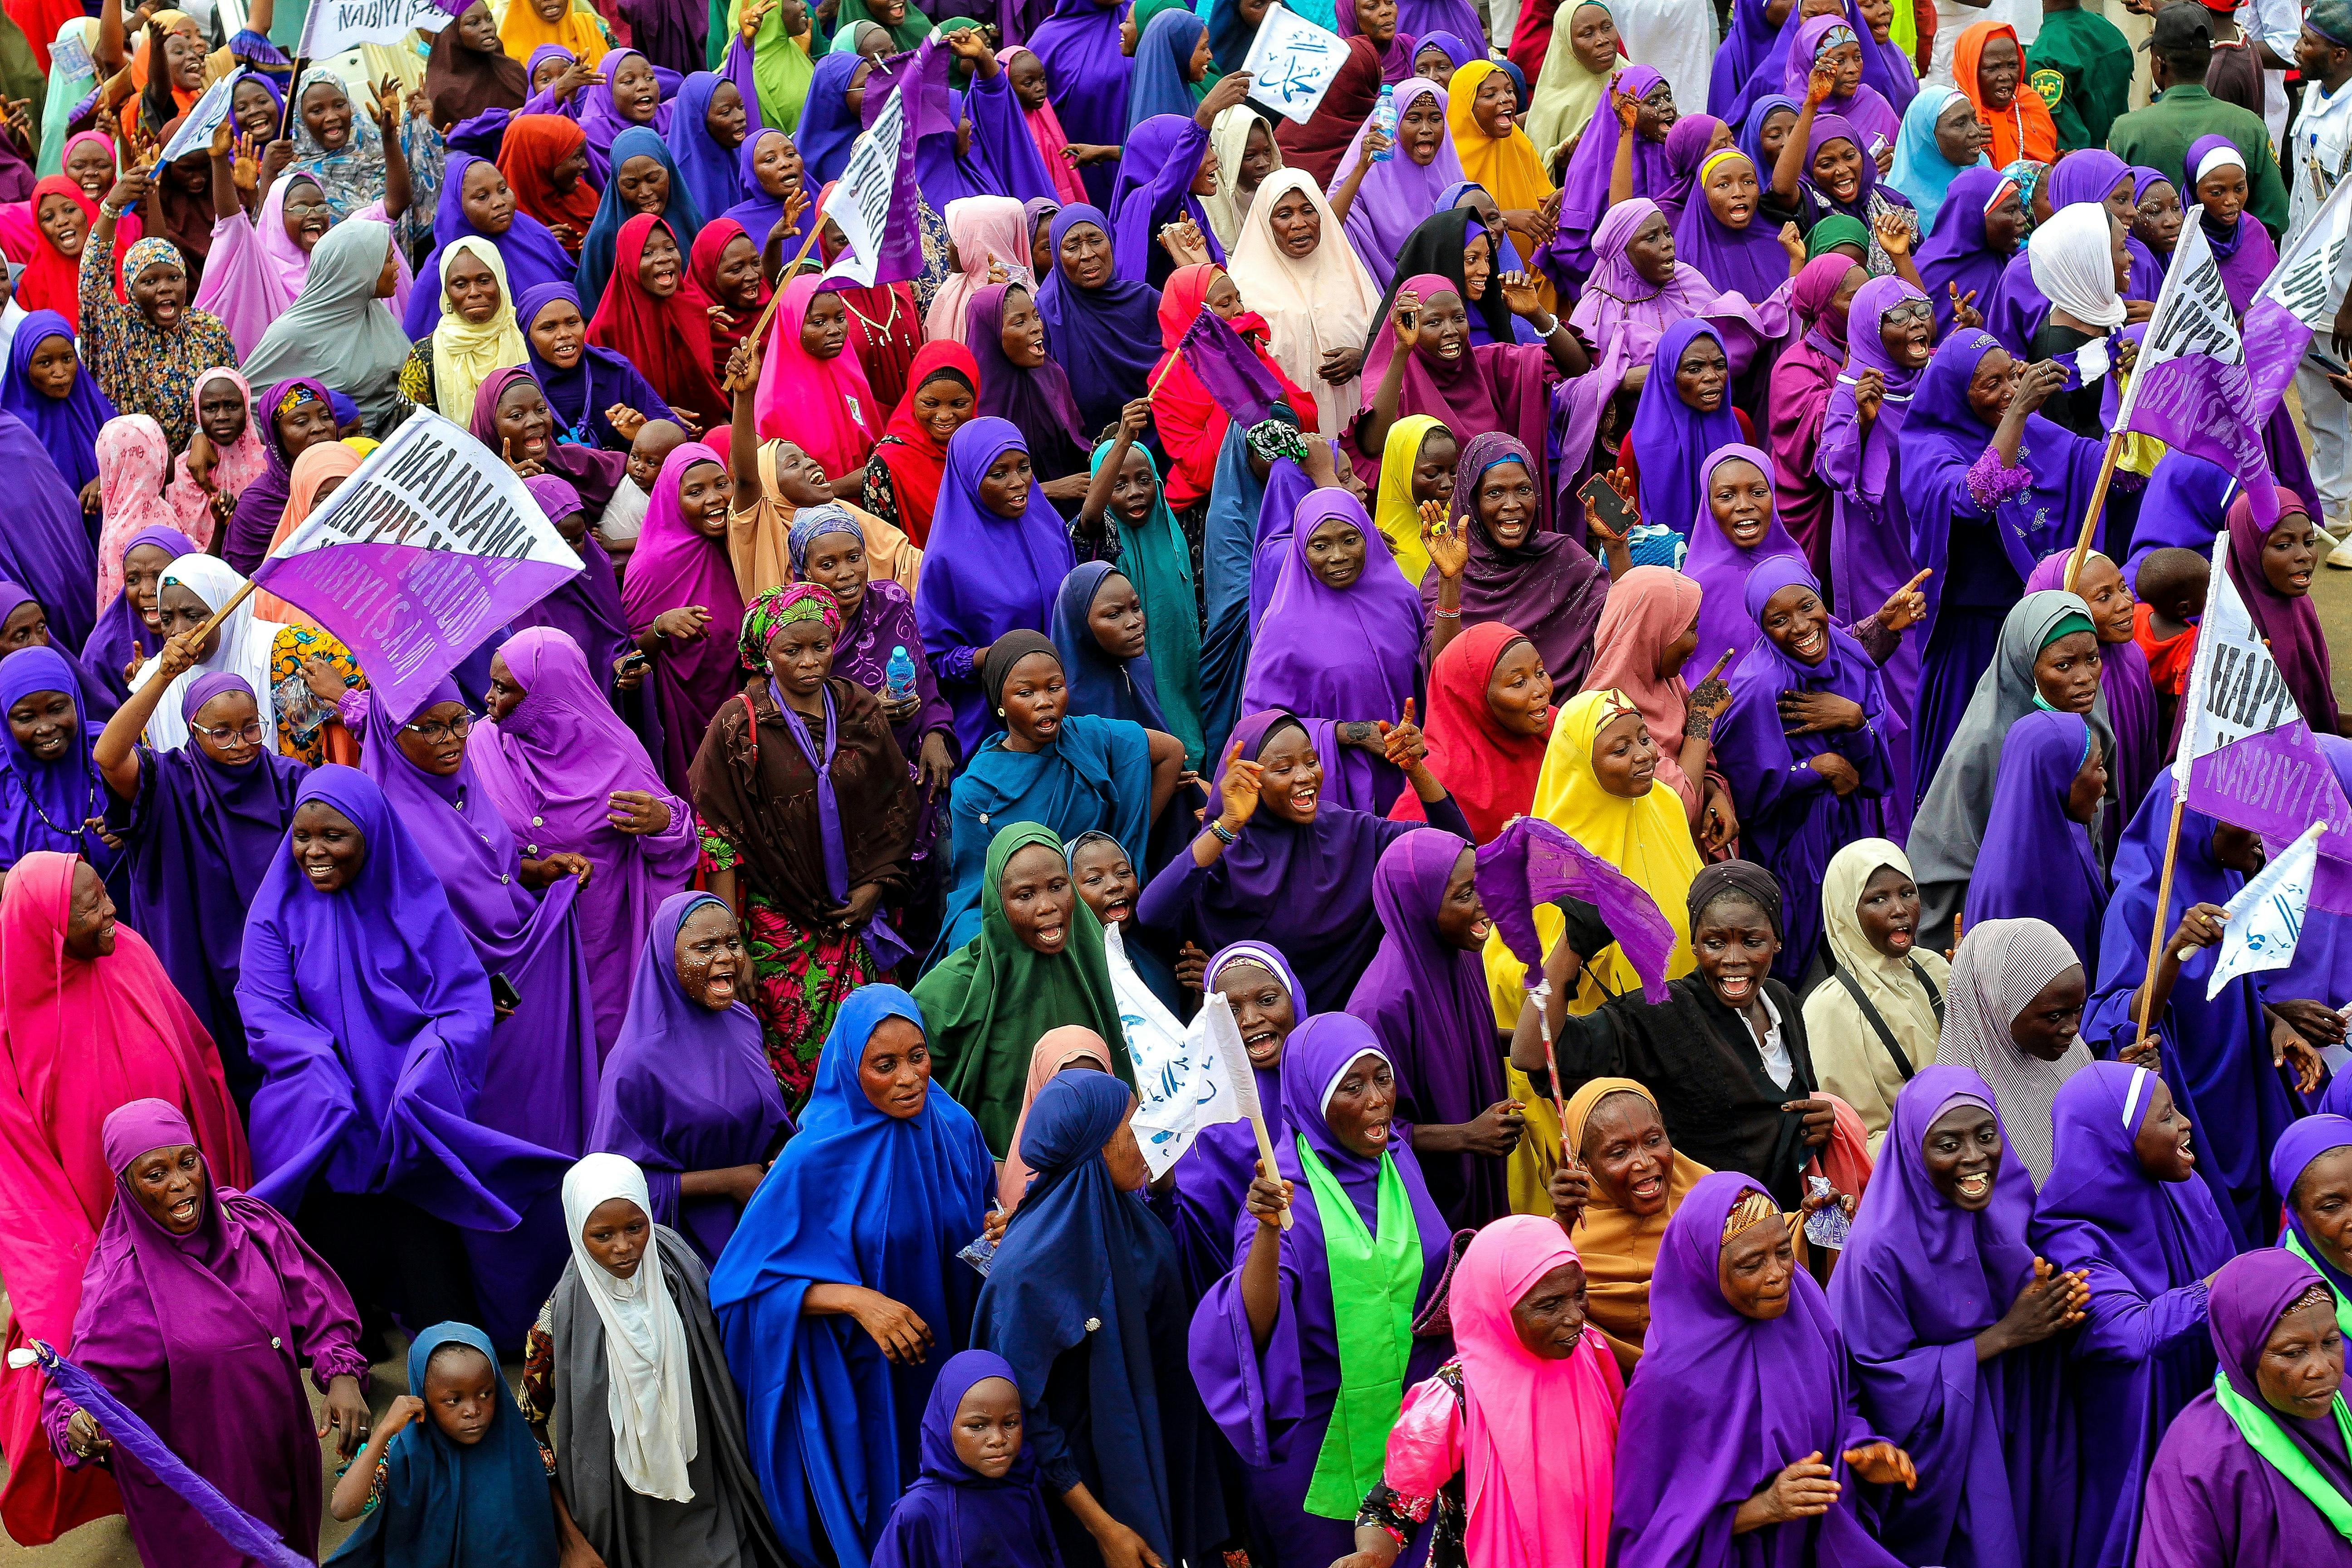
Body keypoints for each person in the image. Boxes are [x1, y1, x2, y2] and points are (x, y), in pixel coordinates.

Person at [238, 767, 571, 1343]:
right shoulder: (275, 912)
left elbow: (461, 1004)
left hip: (406, 1124)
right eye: (302, 836)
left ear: (373, 835)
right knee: (345, 1311)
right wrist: (320, 1068)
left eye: (334, 837)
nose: (314, 852)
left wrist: (426, 1068)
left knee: (441, 1308)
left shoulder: (417, 903)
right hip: (328, 1126)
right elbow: (265, 1008)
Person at [0, 852, 248, 1547]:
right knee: (131, 1353)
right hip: (92, 1233)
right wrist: (79, 1261)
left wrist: (220, 1173)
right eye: (88, 907)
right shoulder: (10, 1019)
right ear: (46, 927)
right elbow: (19, 1173)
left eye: (105, 894)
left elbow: (198, 1054)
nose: (111, 911)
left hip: (182, 1197)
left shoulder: (131, 951)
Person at [709, 985, 995, 1568]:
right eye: (883, 1066)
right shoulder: (814, 1158)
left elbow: (976, 1231)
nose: (909, 1078)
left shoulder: (954, 1128)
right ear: (850, 1066)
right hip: (866, 1376)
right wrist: (859, 1302)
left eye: (917, 1056)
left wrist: (998, 1236)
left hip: (951, 1352)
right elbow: (741, 1286)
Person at [42, 1098, 372, 1568]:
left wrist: (340, 1373)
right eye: (155, 1175)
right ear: (128, 1189)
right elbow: (77, 1385)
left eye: (188, 1162)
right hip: (199, 1491)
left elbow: (314, 1303)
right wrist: (76, 1421)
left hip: (280, 1454)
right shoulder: (124, 1286)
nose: (180, 1183)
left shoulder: (250, 1224)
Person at [1189, 1014, 1456, 1566]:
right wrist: (1266, 1230)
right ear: (1313, 1098)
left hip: (1410, 1435)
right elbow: (1253, 1322)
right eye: (1351, 1088)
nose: (1378, 1101)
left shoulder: (1397, 1160)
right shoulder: (1286, 1192)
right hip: (1317, 1451)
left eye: (1381, 1078)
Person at [1828, 1068, 2089, 1568]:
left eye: (1987, 1136)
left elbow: (2036, 1285)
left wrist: (2060, 1301)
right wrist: (2004, 1336)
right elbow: (1877, 1378)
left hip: (2024, 1420)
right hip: (1951, 1452)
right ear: (1911, 1152)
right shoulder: (1878, 1250)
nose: (1974, 1158)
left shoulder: (2009, 1198)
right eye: (1948, 1144)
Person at [972, 1069, 1228, 1568]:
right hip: (1092, 1500)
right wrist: (1104, 1527)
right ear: (1092, 1146)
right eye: (1133, 1129)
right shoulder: (1028, 1269)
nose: (1147, 1138)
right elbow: (1025, 1411)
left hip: (1160, 1456)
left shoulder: (1129, 1220)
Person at [1609, 1171, 1917, 1567]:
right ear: (1704, 1268)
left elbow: (1840, 1408)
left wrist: (1861, 1451)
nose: (1777, 1275)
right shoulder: (1666, 1381)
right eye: (1750, 1264)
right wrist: (1765, 1507)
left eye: (1783, 1251)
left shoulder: (1805, 1314)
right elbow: (1650, 1537)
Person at [692, 583, 919, 1099]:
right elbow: (719, 839)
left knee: (867, 1051)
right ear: (765, 652)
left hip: (853, 919)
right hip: (779, 925)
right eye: (792, 650)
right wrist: (734, 945)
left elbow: (894, 804)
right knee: (793, 1064)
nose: (810, 661)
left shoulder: (857, 708)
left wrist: (876, 887)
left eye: (821, 646)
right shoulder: (738, 725)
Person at [1510, 861, 1838, 1211]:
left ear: (1777, 942)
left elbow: (1783, 1109)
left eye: (1752, 942)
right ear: (1694, 945)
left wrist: (1817, 1126)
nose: (1733, 959)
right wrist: (1573, 943)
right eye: (1714, 943)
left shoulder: (1782, 1002)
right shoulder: (1661, 1012)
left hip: (1788, 1224)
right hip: (1709, 1230)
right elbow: (1531, 1054)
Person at [516, 1153, 786, 1568]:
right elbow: (527, 1424)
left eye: (635, 1228)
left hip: (710, 1502)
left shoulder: (683, 1278)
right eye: (602, 1236)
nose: (623, 1248)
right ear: (576, 1232)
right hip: (624, 1522)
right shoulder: (558, 1324)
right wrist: (570, 1540)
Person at [2091, 769, 2324, 1247]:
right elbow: (2124, 1020)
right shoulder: (2139, 904)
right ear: (2195, 824)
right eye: (2243, 822)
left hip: (2240, 1088)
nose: (2260, 836)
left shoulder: (2229, 878)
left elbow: (2235, 985)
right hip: (2185, 1097)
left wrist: (2273, 1021)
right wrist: (2175, 950)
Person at [2033, 1060, 2239, 1567]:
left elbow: (2228, 1260)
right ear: (2116, 1139)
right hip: (2134, 1436)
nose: (2186, 1123)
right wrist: (2228, 1285)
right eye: (2166, 1117)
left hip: (2209, 1397)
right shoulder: (2068, 1236)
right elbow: (2131, 1332)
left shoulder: (2181, 1184)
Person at [1138, 705, 1473, 1005]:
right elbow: (1151, 913)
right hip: (1258, 1037)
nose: (1305, 776)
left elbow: (1455, 848)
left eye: (1312, 761)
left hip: (1350, 1031)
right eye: (1283, 769)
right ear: (1251, 780)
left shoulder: (1347, 830)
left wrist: (1414, 769)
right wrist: (1227, 823)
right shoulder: (1223, 848)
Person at [1348, 1212, 1625, 1568]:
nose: (1575, 1316)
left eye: (1579, 1295)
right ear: (1497, 1306)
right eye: (1550, 1304)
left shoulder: (1590, 1352)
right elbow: (1391, 1506)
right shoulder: (1453, 1396)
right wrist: (1371, 1554)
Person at [473, 626, 700, 1056]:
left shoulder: (617, 753)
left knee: (602, 1045)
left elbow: (680, 843)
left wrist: (661, 820)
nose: (488, 699)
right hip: (518, 936)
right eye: (491, 684)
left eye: (504, 689)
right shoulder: (482, 743)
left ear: (546, 696)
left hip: (600, 941)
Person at [94, 656, 306, 1103]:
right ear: (194, 731)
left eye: (252, 727)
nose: (242, 744)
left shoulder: (288, 781)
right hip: (198, 972)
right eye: (222, 732)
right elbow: (108, 755)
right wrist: (163, 677)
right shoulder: (167, 782)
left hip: (280, 970)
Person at [1712, 557, 1903, 981]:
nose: (1800, 626)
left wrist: (1853, 721)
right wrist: (1814, 768)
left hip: (1852, 828)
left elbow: (1873, 777)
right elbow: (1745, 793)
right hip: (1793, 850)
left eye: (1807, 606)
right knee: (1807, 971)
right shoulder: (1759, 685)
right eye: (1779, 619)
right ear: (1762, 627)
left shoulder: (1848, 656)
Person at [591, 892, 792, 1269]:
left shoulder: (742, 1022)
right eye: (705, 947)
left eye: (733, 943)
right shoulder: (635, 1062)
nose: (726, 957)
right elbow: (613, 1189)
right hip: (693, 1254)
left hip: (765, 1229)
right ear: (668, 957)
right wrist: (729, 1182)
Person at [940, 627, 1167, 950]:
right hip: (1028, 919)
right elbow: (977, 890)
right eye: (1026, 693)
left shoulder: (1089, 737)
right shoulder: (975, 791)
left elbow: (1170, 752)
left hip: (1097, 910)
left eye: (1055, 687)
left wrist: (1124, 843)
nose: (1045, 702)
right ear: (999, 702)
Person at [913, 823, 1131, 1155]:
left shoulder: (1105, 967)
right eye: (1025, 895)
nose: (1047, 906)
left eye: (1058, 887)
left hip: (1098, 1166)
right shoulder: (955, 987)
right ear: (998, 902)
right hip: (996, 1179)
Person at [1346, 829, 1522, 1229]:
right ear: (1418, 905)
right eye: (1465, 895)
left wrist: (1525, 1043)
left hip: (1479, 1171)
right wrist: (1466, 1137)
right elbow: (1370, 1129)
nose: (1486, 902)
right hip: (1429, 1197)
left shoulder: (1461, 953)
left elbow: (1457, 1036)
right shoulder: (1380, 1006)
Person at [1909, 590, 2111, 936]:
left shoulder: (2089, 716)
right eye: (2063, 665)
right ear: (2024, 664)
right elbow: (1944, 862)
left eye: (2092, 659)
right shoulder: (1984, 745)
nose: (2084, 678)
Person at [2137, 1249, 2352, 1566]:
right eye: (2293, 1353)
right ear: (2242, 1353)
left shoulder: (2345, 1396)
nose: (2322, 1368)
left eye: (2331, 1343)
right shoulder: (2200, 1456)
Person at [324, 1322, 561, 1567]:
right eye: (453, 1400)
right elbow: (342, 1509)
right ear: (423, 1396)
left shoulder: (523, 1449)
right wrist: (384, 1431)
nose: (472, 1411)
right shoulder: (401, 1454)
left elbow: (553, 1499)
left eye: (485, 1394)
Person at [914, 416, 1081, 756]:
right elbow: (934, 658)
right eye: (999, 474)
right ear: (970, 480)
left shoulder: (1051, 526)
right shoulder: (948, 559)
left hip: (1067, 707)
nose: (1018, 483)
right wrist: (996, 657)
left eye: (1024, 467)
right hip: (996, 728)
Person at [624, 441, 748, 789]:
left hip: (742, 698)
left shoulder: (738, 543)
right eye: (696, 492)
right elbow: (629, 657)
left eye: (721, 484)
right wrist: (661, 626)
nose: (714, 499)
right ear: (671, 500)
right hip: (683, 713)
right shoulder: (652, 564)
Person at [868, 1347, 1062, 1568]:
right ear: (944, 1426)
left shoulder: (1024, 1486)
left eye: (1010, 1423)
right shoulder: (920, 1511)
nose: (998, 1439)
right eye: (977, 1426)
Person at [2107, 4, 2288, 235]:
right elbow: (2276, 217)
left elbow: (2116, 213)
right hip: (2230, 267)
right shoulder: (2251, 126)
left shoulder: (2126, 130)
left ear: (2160, 64)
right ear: (2209, 59)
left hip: (2156, 268)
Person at [1963, 708, 2108, 968]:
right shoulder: (2008, 886)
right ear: (2059, 777)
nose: (2105, 777)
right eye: (2098, 767)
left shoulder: (2073, 837)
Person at [240, 218, 413, 437]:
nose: (397, 266)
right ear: (359, 270)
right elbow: (243, 400)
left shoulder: (373, 314)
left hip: (398, 444)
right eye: (388, 260)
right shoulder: (293, 333)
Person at [2226, 485, 2341, 736]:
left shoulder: (2301, 606)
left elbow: (2317, 708)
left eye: (2310, 542)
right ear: (2248, 549)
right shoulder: (2231, 624)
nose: (2305, 556)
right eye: (2283, 546)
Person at [0, 644, 121, 883]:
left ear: (76, 700)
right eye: (26, 718)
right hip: (37, 919)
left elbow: (167, 815)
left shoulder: (111, 752)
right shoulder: (3, 782)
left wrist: (134, 827)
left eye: (57, 709)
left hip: (130, 914)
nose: (46, 727)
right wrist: (32, 884)